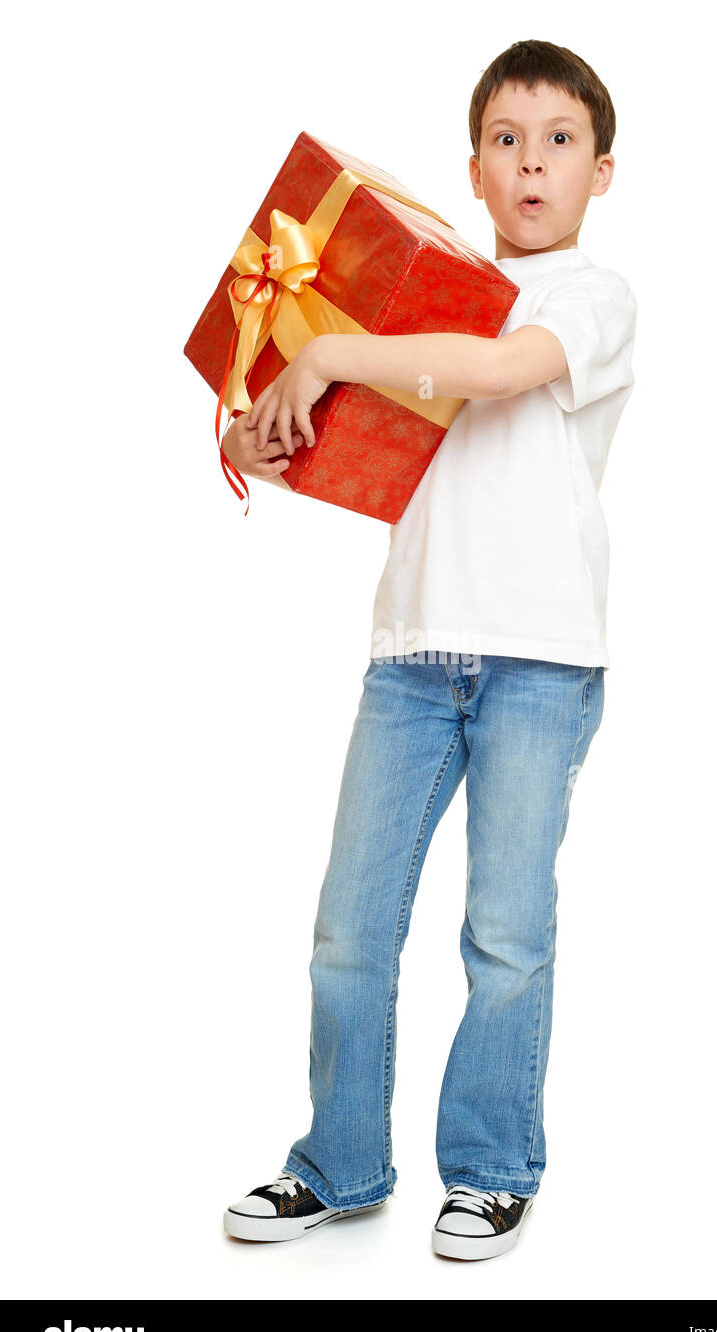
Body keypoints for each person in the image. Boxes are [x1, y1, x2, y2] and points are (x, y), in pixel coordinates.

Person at [220, 38, 637, 1262]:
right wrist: (258, 436)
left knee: (506, 934)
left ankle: (494, 1169)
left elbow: (501, 373)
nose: (532, 163)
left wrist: (328, 352)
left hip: (539, 660)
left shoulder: (591, 298)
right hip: (409, 655)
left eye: (559, 140)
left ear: (601, 171)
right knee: (351, 928)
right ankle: (340, 1164)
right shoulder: (423, 303)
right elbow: (355, 451)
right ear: (472, 167)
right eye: (507, 140)